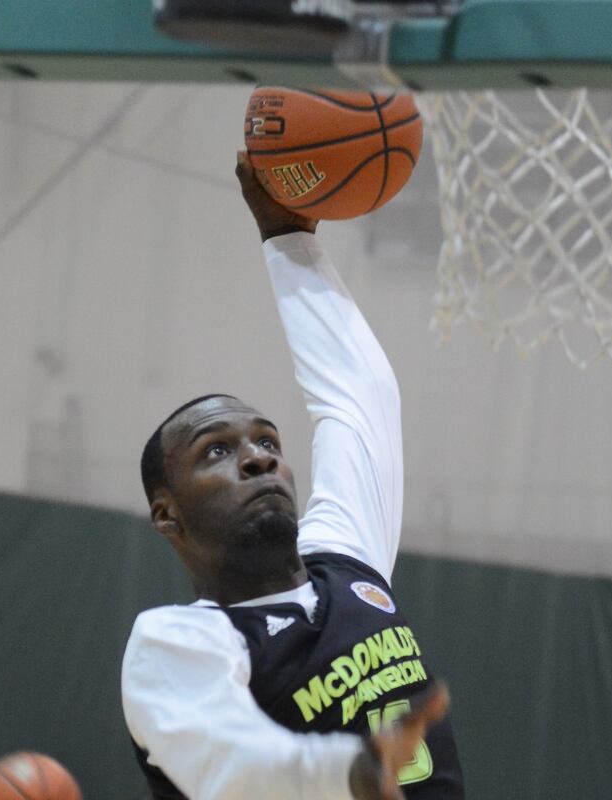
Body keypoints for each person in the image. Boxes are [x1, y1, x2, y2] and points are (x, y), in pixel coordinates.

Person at [119, 153, 465, 800]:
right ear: (167, 514)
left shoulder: (346, 563)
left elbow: (359, 397)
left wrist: (290, 238)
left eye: (267, 442)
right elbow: (232, 761)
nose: (257, 458)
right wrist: (351, 771)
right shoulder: (178, 643)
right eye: (216, 452)